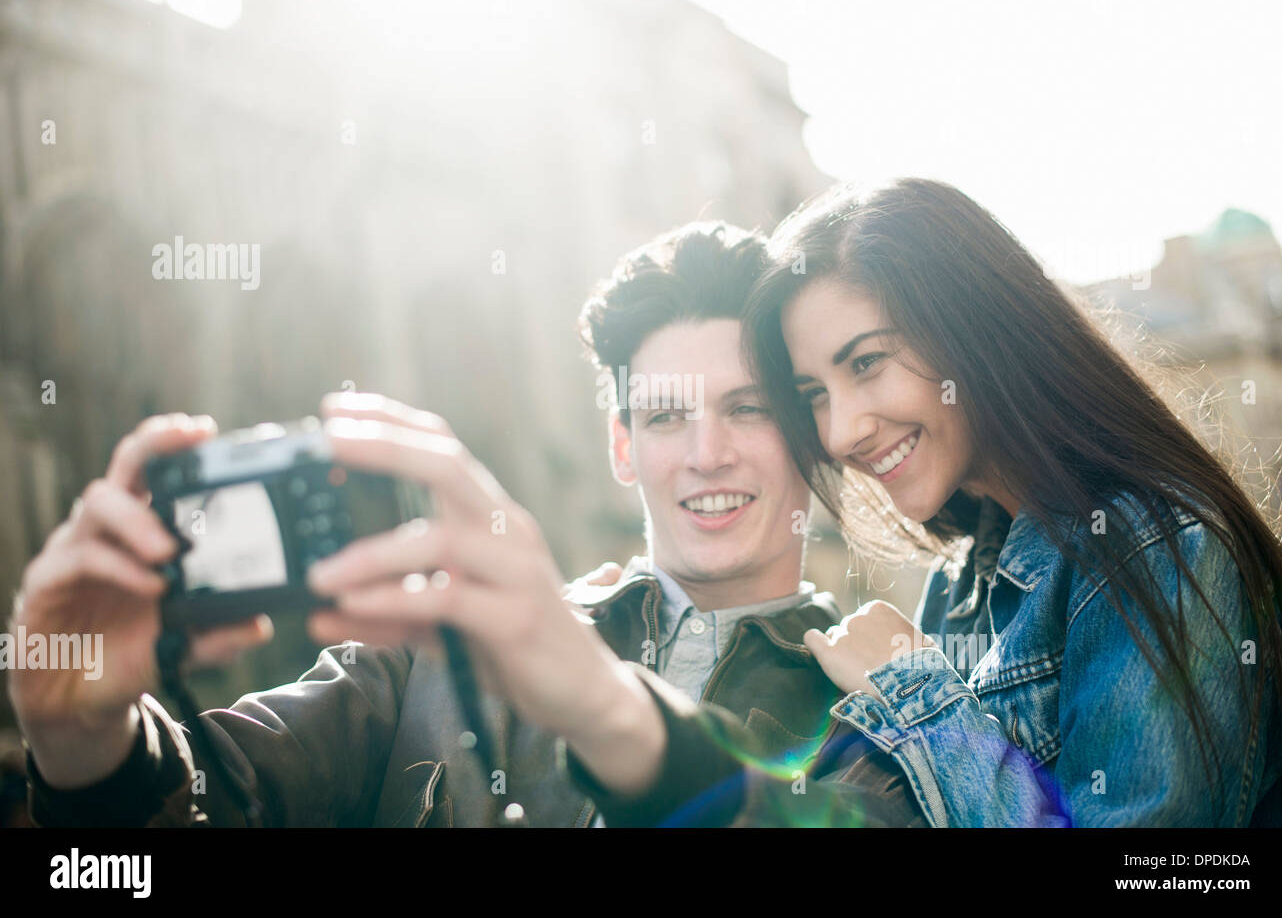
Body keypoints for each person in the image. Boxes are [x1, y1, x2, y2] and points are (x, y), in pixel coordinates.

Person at [11, 222, 925, 828]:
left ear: (810, 430)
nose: (707, 453)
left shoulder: (896, 712)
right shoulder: (439, 649)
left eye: (749, 409)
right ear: (621, 444)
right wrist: (83, 741)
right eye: (665, 417)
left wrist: (612, 715)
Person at [740, 177, 1282, 826]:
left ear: (972, 329)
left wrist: (912, 686)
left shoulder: (1149, 545)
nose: (840, 431)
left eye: (866, 362)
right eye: (814, 393)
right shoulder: (963, 578)